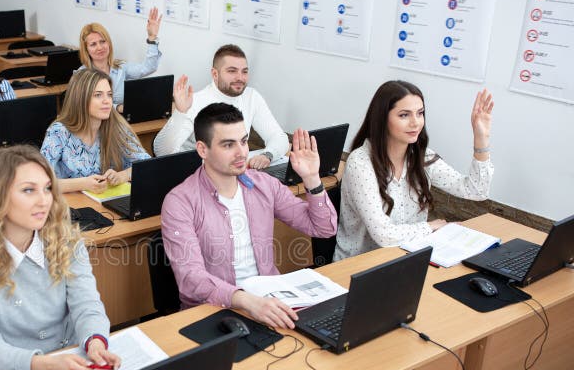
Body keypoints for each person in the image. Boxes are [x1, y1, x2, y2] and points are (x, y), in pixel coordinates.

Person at [0, 145, 121, 370]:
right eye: (28, 190)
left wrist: (96, 343)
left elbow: (87, 306)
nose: (43, 201)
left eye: (48, 189)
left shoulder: (68, 240)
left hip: (70, 361)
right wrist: (45, 365)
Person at [161, 103, 338, 329]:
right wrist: (246, 300)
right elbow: (191, 279)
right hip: (213, 311)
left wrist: (312, 178)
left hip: (269, 301)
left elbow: (323, 229)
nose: (241, 152)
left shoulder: (263, 184)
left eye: (243, 141)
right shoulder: (179, 202)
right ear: (202, 150)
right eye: (228, 145)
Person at [333, 81, 494, 261]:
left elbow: (477, 191)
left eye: (420, 113)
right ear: (381, 118)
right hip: (358, 266)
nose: (415, 122)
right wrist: (430, 227)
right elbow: (383, 234)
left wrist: (481, 137)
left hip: (407, 258)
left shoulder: (422, 158)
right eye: (404, 115)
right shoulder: (360, 163)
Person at [153, 44, 288, 169]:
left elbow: (279, 137)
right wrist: (181, 113)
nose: (240, 77)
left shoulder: (251, 96)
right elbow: (161, 152)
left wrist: (268, 155)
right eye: (232, 71)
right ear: (215, 74)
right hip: (197, 175)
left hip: (234, 172)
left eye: (244, 71)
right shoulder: (196, 101)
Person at [41, 69, 150, 194]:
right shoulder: (59, 131)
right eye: (98, 95)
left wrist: (123, 176)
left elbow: (146, 164)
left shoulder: (116, 125)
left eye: (109, 94)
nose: (107, 101)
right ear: (80, 99)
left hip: (106, 203)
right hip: (71, 206)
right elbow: (40, 181)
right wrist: (83, 184)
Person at [78, 8, 162, 108]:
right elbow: (85, 105)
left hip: (120, 120)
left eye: (102, 41)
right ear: (86, 49)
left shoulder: (120, 68)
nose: (100, 47)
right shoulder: (81, 75)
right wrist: (117, 107)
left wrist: (152, 38)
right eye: (93, 44)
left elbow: (149, 67)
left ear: (108, 43)